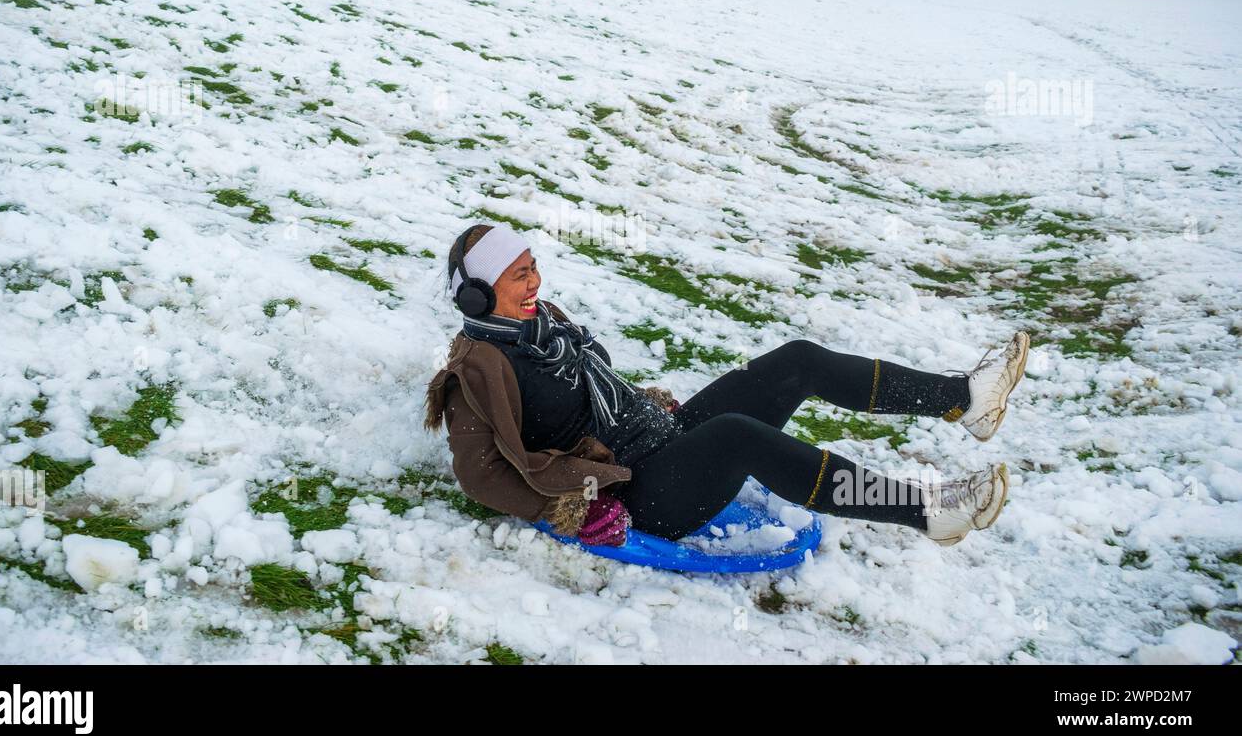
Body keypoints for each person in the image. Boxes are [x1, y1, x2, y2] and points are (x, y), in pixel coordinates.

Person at [423, 222, 1029, 549]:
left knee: (797, 360)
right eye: (518, 273)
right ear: (478, 293)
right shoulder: (476, 368)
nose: (535, 281)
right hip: (635, 492)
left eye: (533, 266)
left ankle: (964, 399)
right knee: (740, 437)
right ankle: (929, 513)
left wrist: (649, 408)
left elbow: (595, 392)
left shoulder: (544, 324)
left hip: (657, 439)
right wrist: (572, 510)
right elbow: (479, 473)